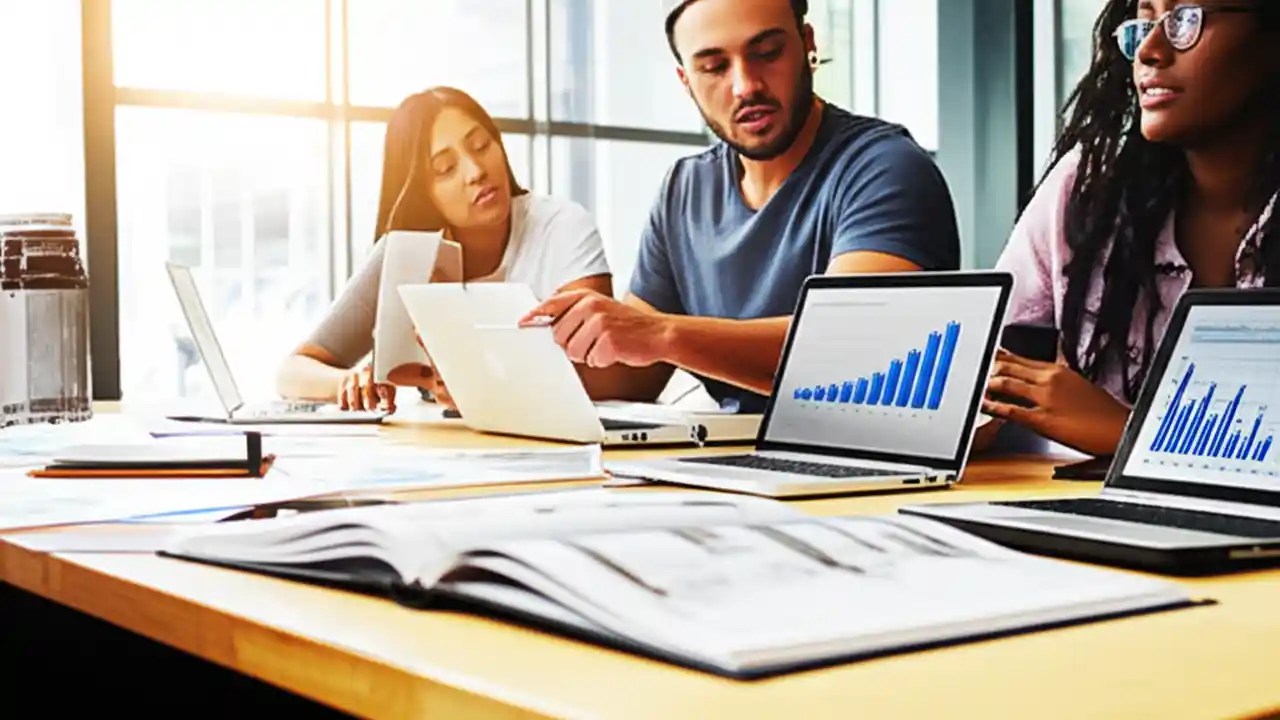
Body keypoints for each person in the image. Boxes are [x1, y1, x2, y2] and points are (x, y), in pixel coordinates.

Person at [521, 0, 961, 414]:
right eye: (713, 67)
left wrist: (660, 334)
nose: (745, 86)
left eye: (768, 52)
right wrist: (511, 373)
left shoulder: (886, 168)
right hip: (734, 463)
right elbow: (637, 371)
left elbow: (846, 353)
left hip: (868, 465)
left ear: (807, 44)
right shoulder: (685, 189)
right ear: (685, 81)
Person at [982, 0, 1279, 456]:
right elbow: (994, 366)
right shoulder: (1088, 190)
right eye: (1144, 22)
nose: (1149, 51)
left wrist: (1130, 434)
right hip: (1088, 514)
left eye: (1185, 20)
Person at [277, 87, 612, 412]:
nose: (476, 171)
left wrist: (484, 384)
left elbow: (595, 365)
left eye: (481, 146)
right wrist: (347, 383)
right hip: (443, 450)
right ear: (423, 192)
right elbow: (292, 372)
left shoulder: (562, 225)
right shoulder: (407, 253)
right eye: (445, 169)